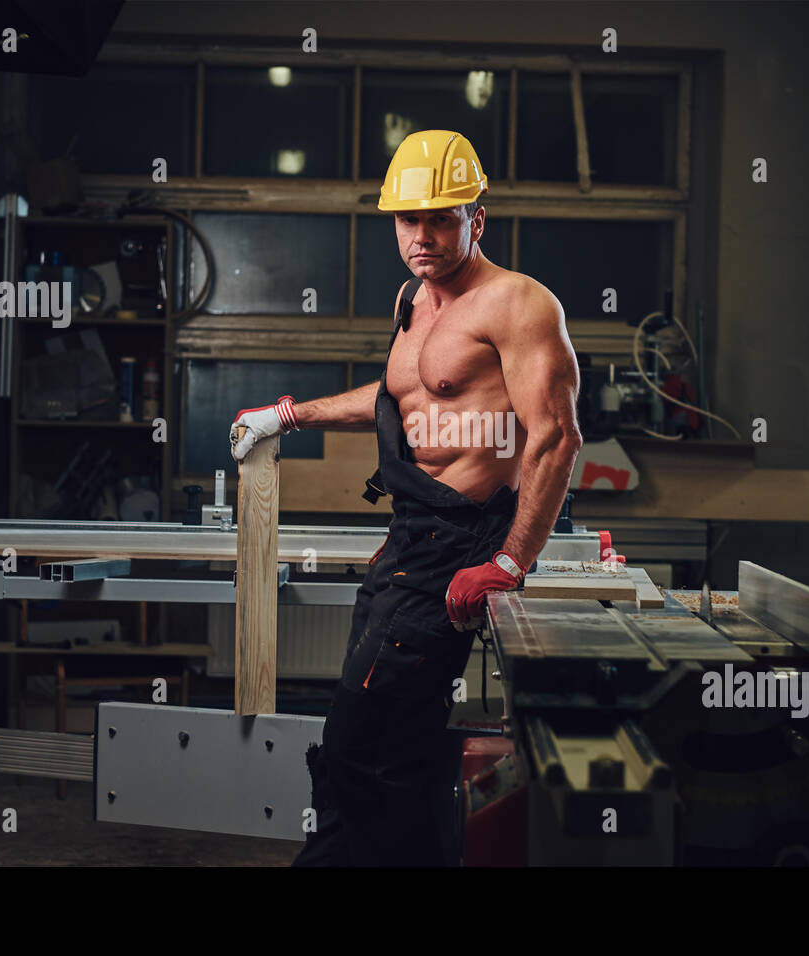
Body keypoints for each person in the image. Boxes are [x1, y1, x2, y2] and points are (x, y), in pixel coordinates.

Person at [229, 129, 581, 866]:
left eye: (442, 219)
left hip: (458, 551)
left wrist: (510, 563)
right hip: (407, 540)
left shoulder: (518, 304)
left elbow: (556, 437)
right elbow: (401, 396)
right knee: (409, 754)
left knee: (358, 746)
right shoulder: (412, 299)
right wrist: (292, 414)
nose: (422, 236)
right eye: (408, 220)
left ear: (477, 219)